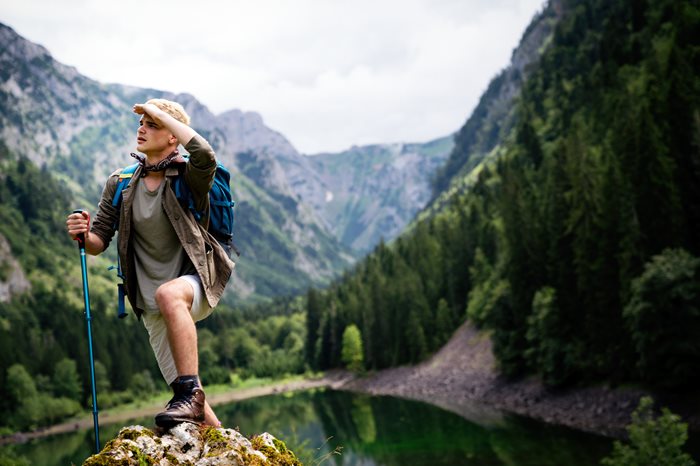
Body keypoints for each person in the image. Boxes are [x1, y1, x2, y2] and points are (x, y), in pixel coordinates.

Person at [66, 99, 235, 428]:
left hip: (195, 284)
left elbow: (205, 155)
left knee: (170, 296)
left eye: (153, 124)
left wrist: (165, 116)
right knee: (192, 404)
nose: (142, 128)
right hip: (149, 301)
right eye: (141, 123)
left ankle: (191, 392)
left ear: (173, 135)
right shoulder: (121, 183)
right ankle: (235, 452)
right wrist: (83, 236)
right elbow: (99, 241)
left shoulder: (190, 177)